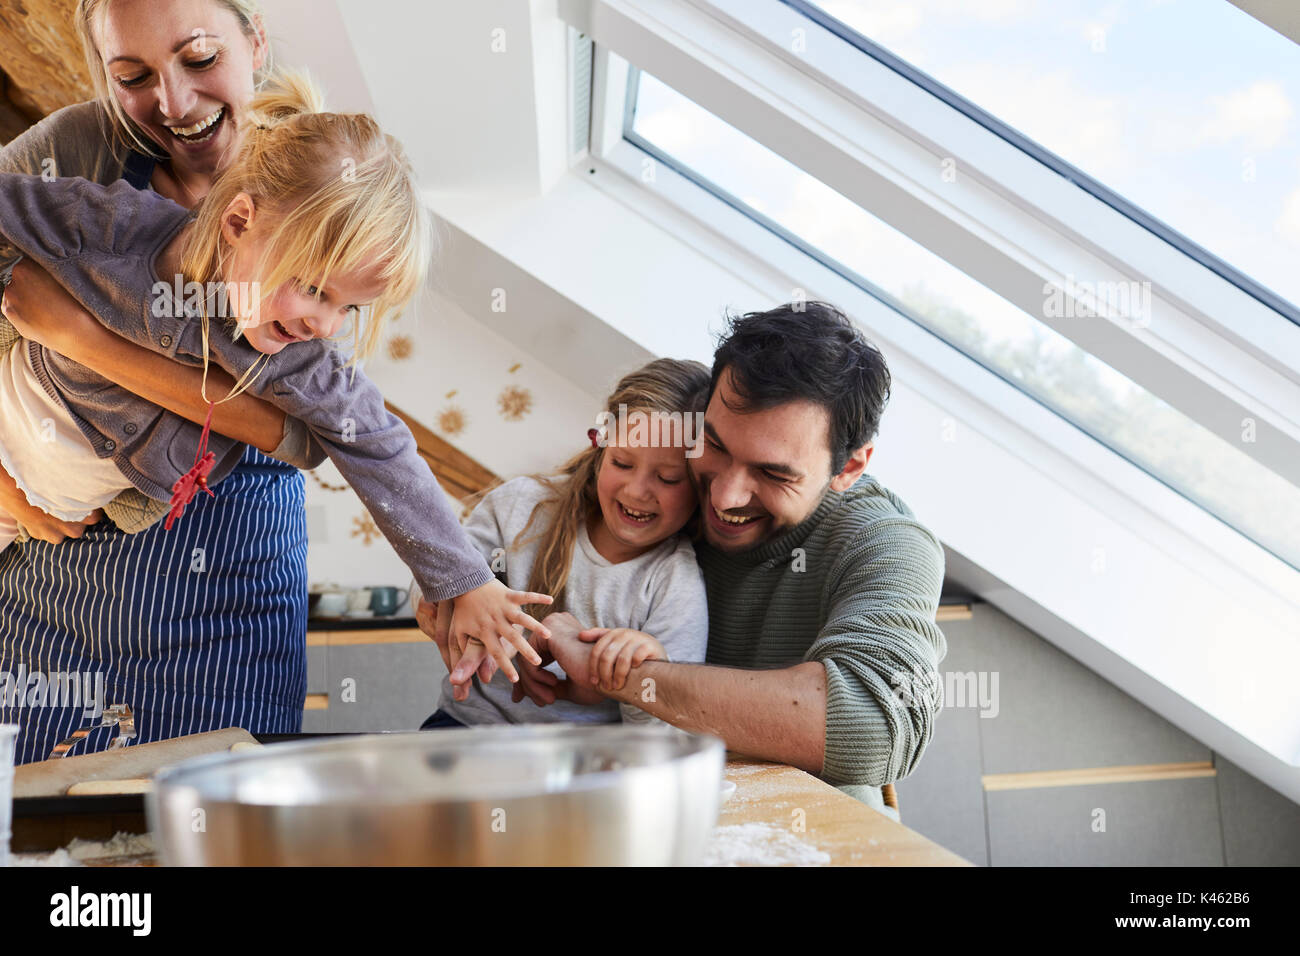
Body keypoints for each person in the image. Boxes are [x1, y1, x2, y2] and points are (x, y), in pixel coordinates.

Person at [0, 68, 550, 759]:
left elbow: (378, 448)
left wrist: (464, 579)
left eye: (348, 308)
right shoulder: (111, 224)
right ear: (238, 222)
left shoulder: (293, 357)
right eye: (315, 288)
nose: (326, 322)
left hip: (76, 508)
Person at [443, 303, 947, 820]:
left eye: (774, 474)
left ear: (851, 466)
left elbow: (874, 726)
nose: (725, 497)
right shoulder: (652, 508)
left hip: (805, 830)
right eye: (715, 445)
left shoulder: (884, 543)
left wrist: (616, 673)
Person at [0, 0, 319, 763]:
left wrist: (78, 335)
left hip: (228, 590)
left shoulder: (325, 176)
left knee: (206, 822)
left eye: (201, 59)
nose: (173, 105)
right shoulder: (74, 144)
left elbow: (303, 430)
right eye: (132, 76)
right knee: (36, 828)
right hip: (48, 575)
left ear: (256, 40)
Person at [420, 358, 710, 729]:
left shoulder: (675, 583)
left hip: (590, 759)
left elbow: (663, 741)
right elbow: (432, 582)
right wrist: (490, 629)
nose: (637, 491)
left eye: (668, 478)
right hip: (468, 730)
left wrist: (639, 674)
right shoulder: (519, 506)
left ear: (702, 487)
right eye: (622, 463)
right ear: (600, 449)